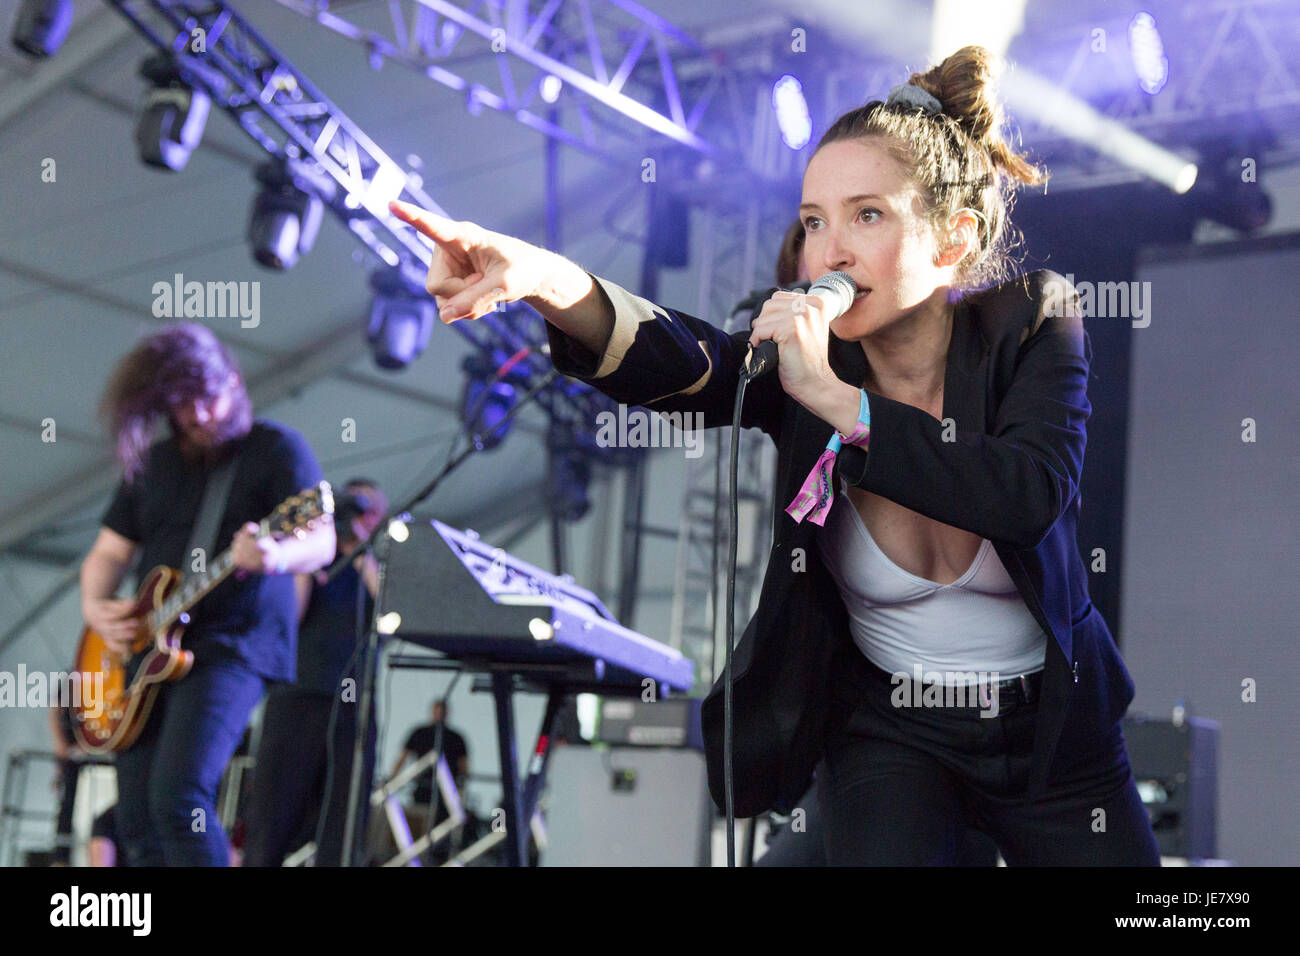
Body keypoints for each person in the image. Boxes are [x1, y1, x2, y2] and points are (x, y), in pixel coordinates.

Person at [388, 45, 1159, 866]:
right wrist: (547, 280)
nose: (829, 252)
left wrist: (840, 405)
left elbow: (1028, 494)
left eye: (868, 215)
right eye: (815, 220)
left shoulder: (1032, 321)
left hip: (1052, 735)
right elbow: (693, 364)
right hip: (890, 731)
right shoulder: (797, 348)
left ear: (953, 240)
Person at [79, 323, 335, 866]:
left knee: (178, 798)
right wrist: (94, 608)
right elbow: (108, 553)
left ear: (235, 383)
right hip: (148, 650)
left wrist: (275, 556)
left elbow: (323, 538)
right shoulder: (154, 463)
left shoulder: (274, 449)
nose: (199, 415)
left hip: (232, 647)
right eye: (182, 405)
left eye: (208, 398)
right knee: (136, 818)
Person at [242, 478, 388, 867]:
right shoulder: (315, 553)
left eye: (369, 509)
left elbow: (391, 614)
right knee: (273, 813)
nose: (360, 515)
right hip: (298, 694)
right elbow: (292, 616)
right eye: (354, 507)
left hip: (355, 704)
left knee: (345, 821)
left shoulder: (381, 561)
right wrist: (310, 555)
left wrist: (361, 550)